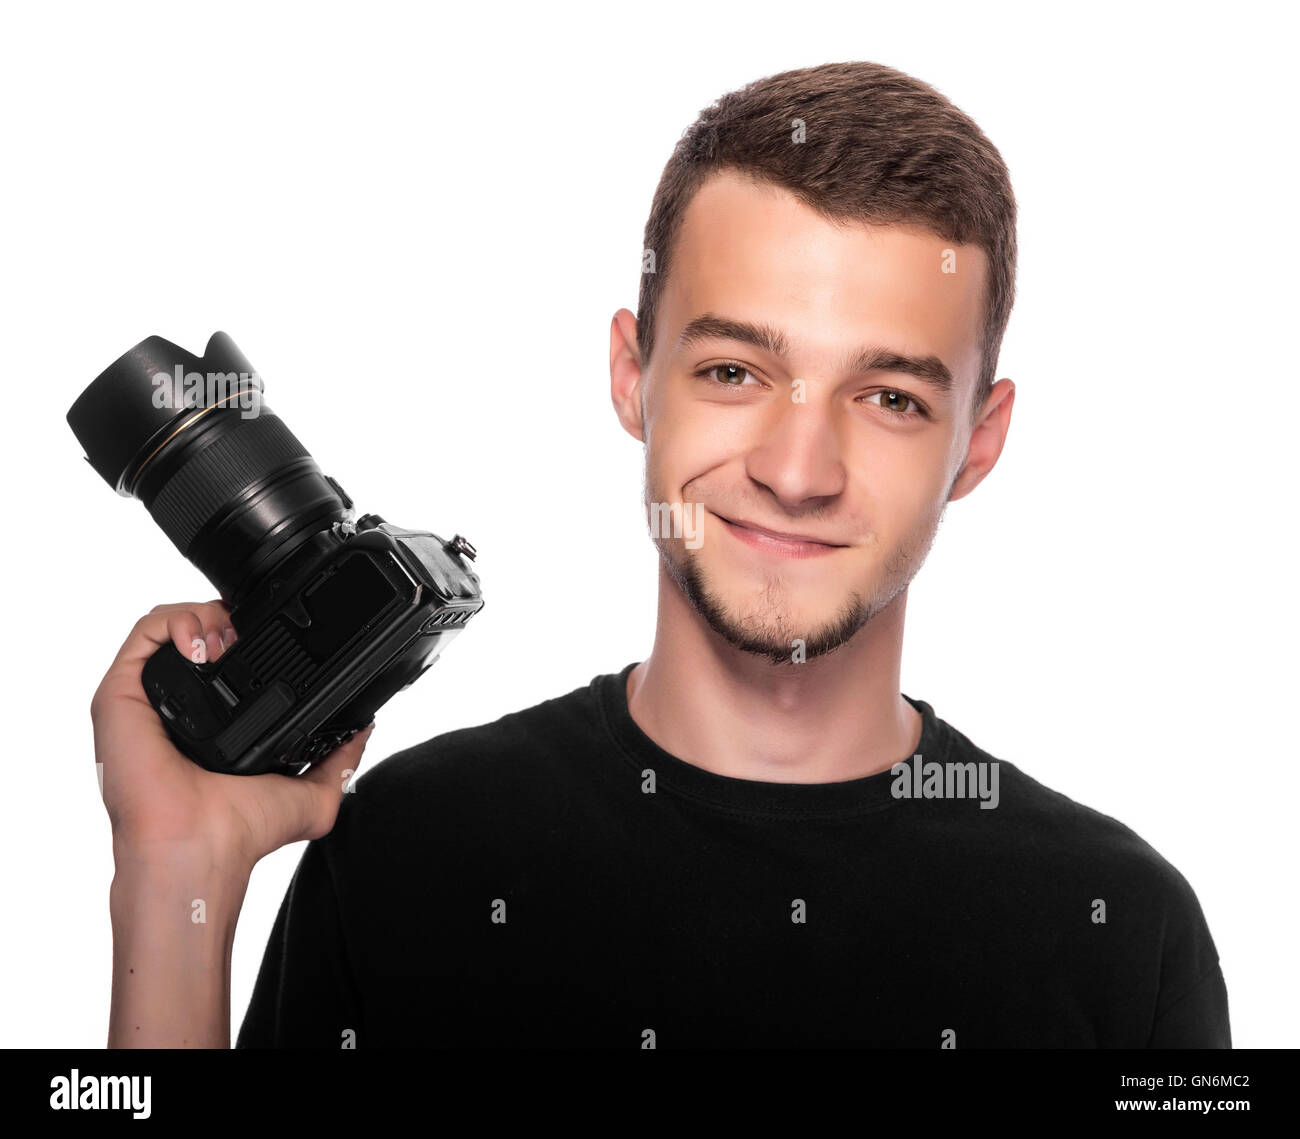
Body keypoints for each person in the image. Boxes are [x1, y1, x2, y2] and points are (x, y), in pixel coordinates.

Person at [97, 60, 1229, 1049]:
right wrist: (174, 879)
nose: (798, 468)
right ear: (632, 376)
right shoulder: (407, 854)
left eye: (887, 396)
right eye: (734, 370)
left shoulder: (1123, 930)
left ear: (975, 444)